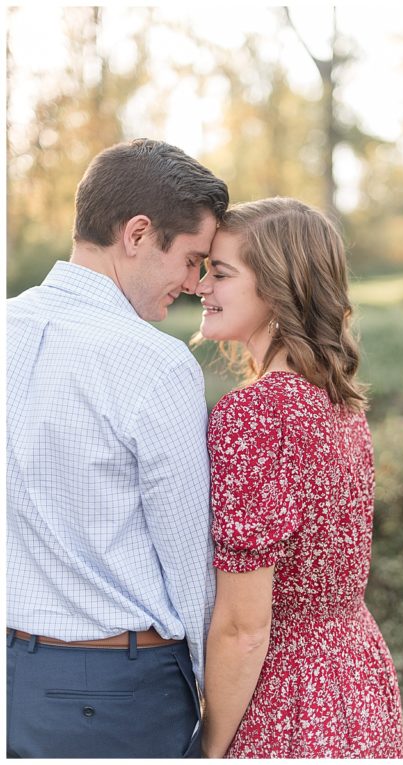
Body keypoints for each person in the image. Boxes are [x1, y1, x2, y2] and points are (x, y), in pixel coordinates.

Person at [7, 139, 229, 758]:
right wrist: (216, 694)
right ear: (137, 233)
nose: (192, 284)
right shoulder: (156, 364)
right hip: (121, 695)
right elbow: (189, 564)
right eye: (190, 259)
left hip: (13, 682)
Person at [196, 198, 403, 758]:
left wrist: (208, 748)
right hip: (353, 677)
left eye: (219, 273)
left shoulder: (255, 415)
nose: (201, 287)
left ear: (277, 288)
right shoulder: (339, 403)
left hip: (284, 698)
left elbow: (244, 628)